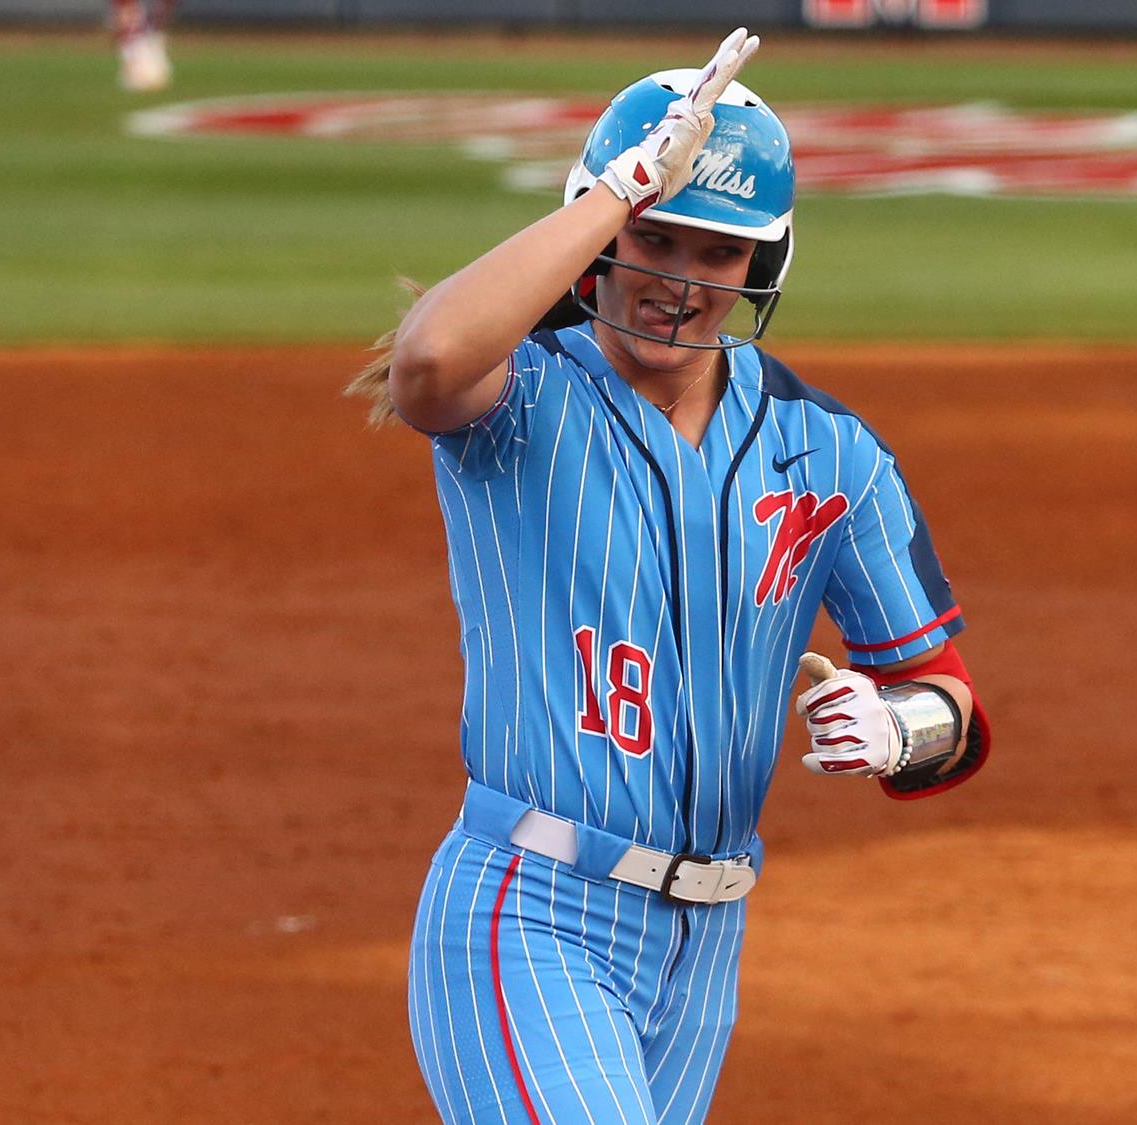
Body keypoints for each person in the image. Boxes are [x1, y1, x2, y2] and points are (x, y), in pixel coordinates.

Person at [346, 28, 991, 1125]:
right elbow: (425, 363)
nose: (677, 282)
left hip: (705, 950)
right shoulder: (520, 400)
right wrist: (613, 192)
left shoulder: (827, 453)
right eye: (655, 235)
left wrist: (896, 731)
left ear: (761, 269)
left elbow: (954, 706)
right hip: (528, 916)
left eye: (717, 254)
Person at [112, 0, 174, 92]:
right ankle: (138, 72)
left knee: (154, 77)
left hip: (141, 39)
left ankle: (140, 73)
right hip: (137, 40)